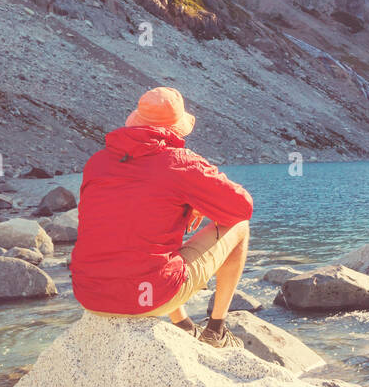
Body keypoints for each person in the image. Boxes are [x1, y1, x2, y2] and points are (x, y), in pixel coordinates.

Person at [71, 86, 253, 347]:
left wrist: (188, 205)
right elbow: (241, 207)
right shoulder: (180, 162)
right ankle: (216, 330)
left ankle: (182, 324)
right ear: (176, 127)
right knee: (240, 226)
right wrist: (196, 204)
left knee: (150, 227)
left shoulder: (97, 162)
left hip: (90, 296)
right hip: (149, 299)